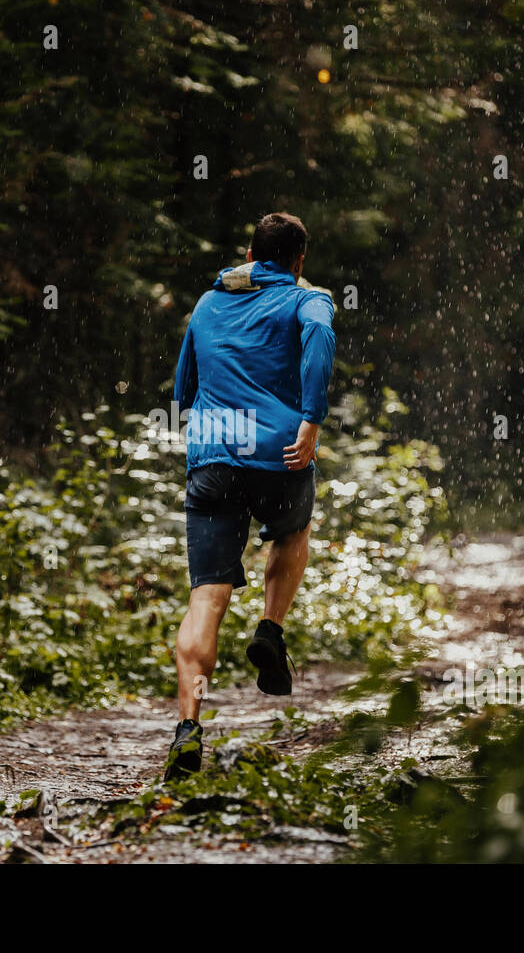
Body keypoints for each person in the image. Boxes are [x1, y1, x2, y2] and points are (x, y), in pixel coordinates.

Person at [164, 211, 336, 780]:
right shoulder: (308, 301)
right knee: (291, 531)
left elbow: (183, 389)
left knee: (205, 598)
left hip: (214, 454)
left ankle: (189, 727)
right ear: (299, 260)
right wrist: (310, 418)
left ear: (249, 251)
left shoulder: (208, 304)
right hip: (279, 453)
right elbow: (319, 336)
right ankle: (270, 629)